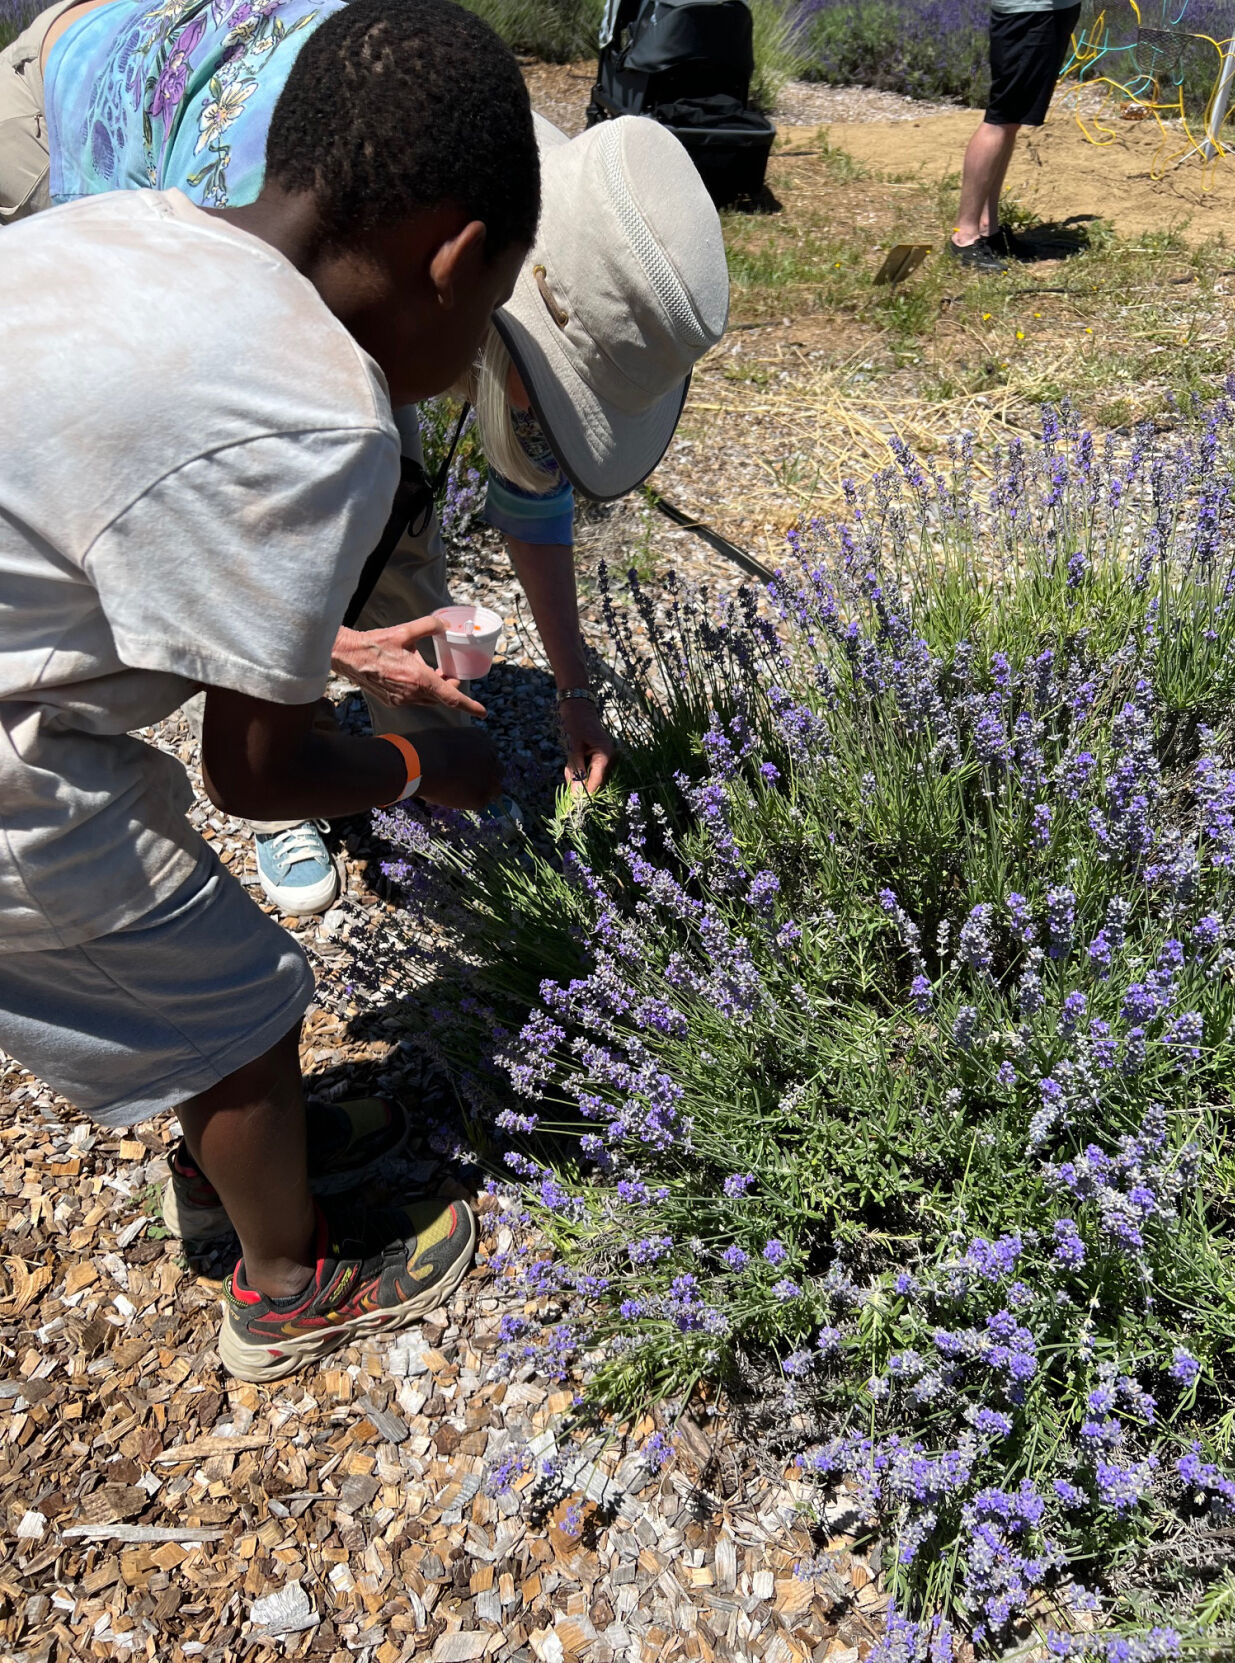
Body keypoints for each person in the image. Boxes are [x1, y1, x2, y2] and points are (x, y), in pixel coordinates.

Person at [0, 0, 542, 1381]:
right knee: (238, 997)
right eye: (485, 315)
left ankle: (243, 1165)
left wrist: (347, 650)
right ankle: (285, 1279)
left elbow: (126, 524)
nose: (470, 348)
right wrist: (424, 770)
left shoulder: (136, 223)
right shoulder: (324, 414)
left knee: (179, 970)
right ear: (455, 259)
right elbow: (252, 773)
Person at [0, 0, 731, 917]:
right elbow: (192, 523)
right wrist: (322, 653)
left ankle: (396, 776)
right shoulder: (262, 213)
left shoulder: (463, 178)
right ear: (464, 272)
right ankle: (306, 789)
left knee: (381, 494)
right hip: (57, 114)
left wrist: (572, 687)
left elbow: (523, 469)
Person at [947, 0, 1082, 271]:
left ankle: (988, 228)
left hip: (1047, 11)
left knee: (1010, 121)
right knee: (1000, 119)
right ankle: (965, 235)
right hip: (1029, 14)